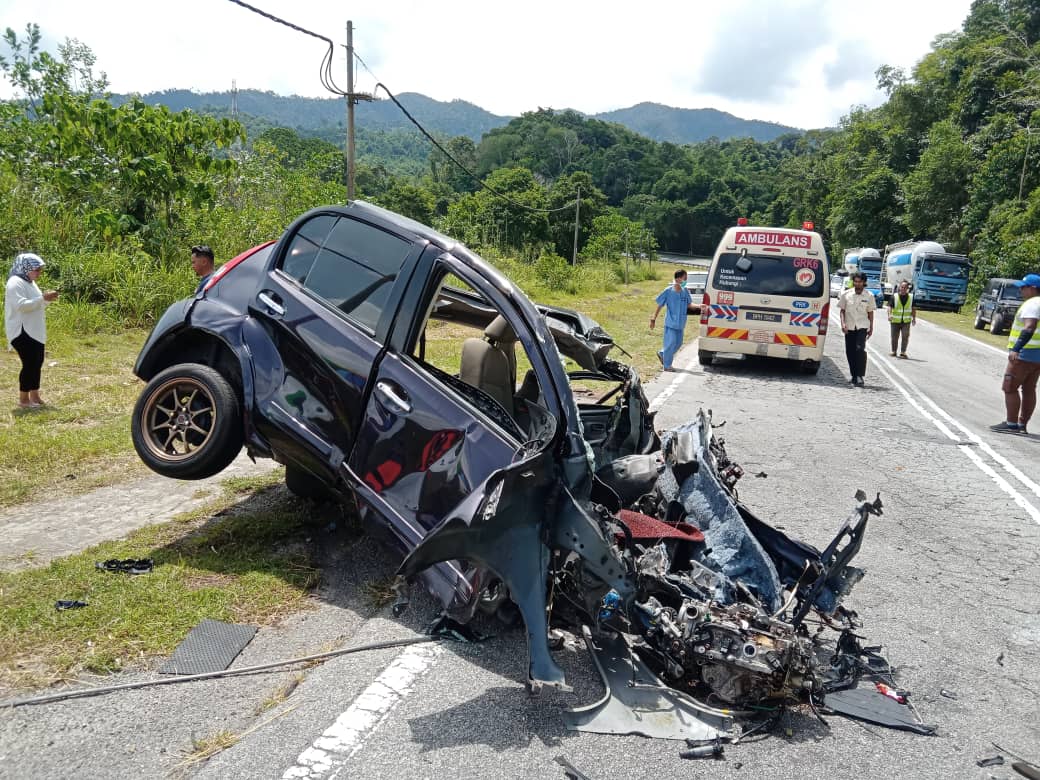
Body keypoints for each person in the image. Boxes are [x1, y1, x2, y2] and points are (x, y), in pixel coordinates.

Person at [5, 252, 58, 408]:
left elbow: (36, 304)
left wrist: (47, 299)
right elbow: (21, 305)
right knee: (29, 364)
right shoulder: (15, 282)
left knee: (37, 362)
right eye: (37, 270)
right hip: (22, 331)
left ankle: (35, 396)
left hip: (34, 330)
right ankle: (23, 400)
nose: (39, 273)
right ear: (26, 267)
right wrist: (43, 298)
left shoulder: (29, 282)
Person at [990, 272, 1040, 435]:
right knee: (1029, 389)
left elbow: (1029, 327)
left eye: (1023, 288)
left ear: (1033, 288)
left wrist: (1017, 348)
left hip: (1024, 354)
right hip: (1037, 356)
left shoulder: (1033, 304)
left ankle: (1011, 424)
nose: (1021, 291)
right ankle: (1021, 425)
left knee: (1010, 387)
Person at [650, 269, 696, 371]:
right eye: (685, 278)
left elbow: (690, 304)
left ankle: (662, 353)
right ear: (678, 279)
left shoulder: (685, 292)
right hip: (671, 323)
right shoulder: (668, 291)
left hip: (680, 323)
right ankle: (667, 366)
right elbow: (660, 305)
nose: (686, 281)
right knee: (670, 343)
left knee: (678, 343)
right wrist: (653, 318)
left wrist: (700, 306)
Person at [838, 271, 875, 386]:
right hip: (849, 327)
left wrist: (871, 327)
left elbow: (870, 313)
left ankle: (860, 376)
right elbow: (842, 310)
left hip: (862, 326)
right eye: (856, 281)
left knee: (859, 349)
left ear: (864, 283)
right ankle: (853, 375)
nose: (857, 284)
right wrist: (843, 324)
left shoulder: (869, 296)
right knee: (850, 351)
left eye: (860, 282)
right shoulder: (846, 294)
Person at [887, 280, 917, 358]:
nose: (903, 289)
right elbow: (889, 306)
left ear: (908, 288)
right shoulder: (894, 296)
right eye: (902, 287)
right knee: (894, 337)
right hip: (895, 321)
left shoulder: (911, 297)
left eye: (905, 287)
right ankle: (894, 351)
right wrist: (889, 315)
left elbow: (913, 308)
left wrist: (914, 318)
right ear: (899, 287)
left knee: (905, 336)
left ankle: (903, 352)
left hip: (906, 321)